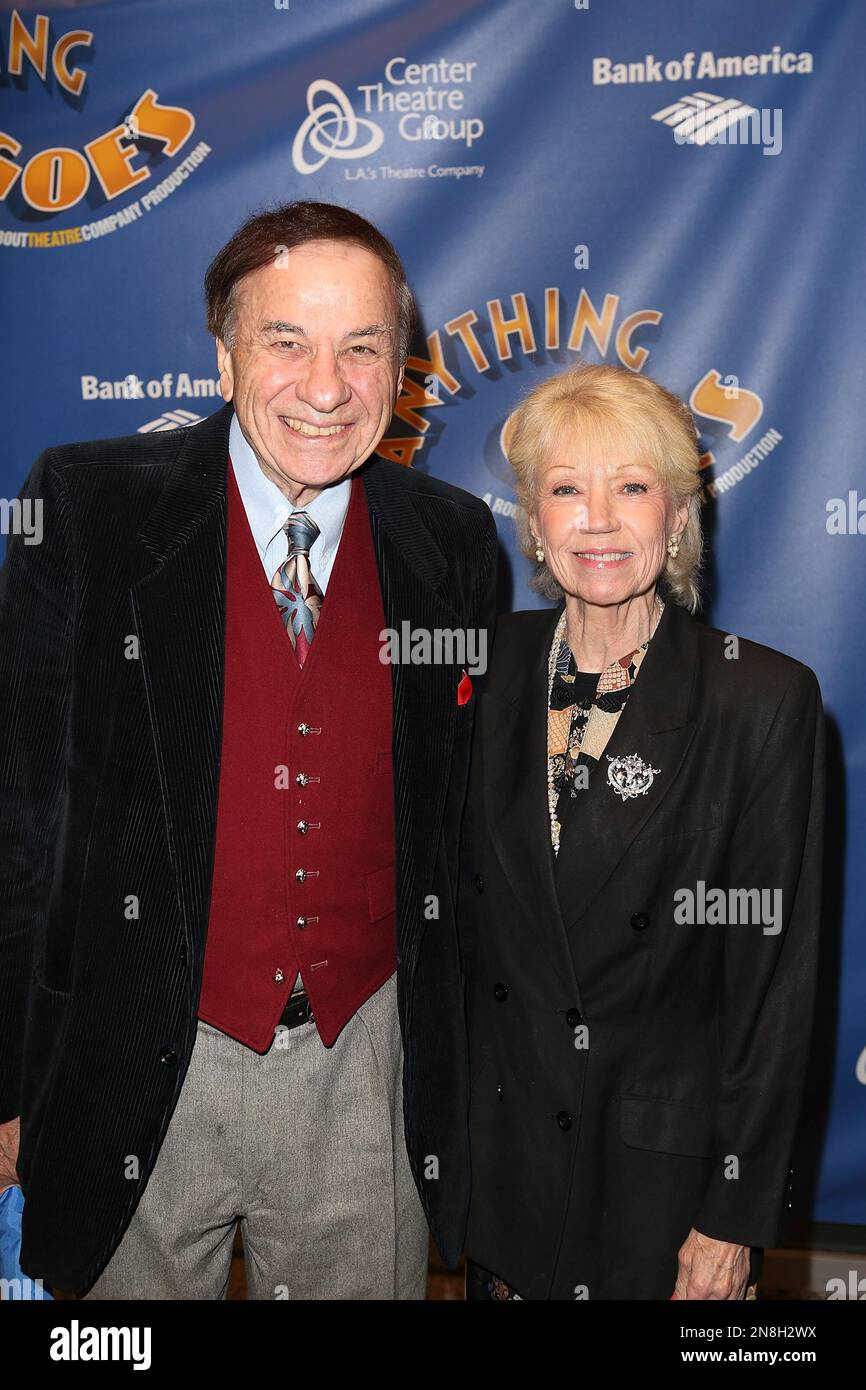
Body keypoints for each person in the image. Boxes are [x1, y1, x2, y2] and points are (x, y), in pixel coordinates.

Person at [0, 200, 497, 1299]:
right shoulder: (87, 507)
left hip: (364, 1072)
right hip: (135, 1060)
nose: (327, 386)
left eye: (363, 347)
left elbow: (457, 840)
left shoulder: (452, 539)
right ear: (226, 358)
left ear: (400, 368)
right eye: (287, 341)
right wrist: (6, 1080)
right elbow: (19, 817)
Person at [459, 362, 825, 1300]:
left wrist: (731, 1219)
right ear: (534, 521)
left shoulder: (760, 698)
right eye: (566, 489)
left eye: (632, 488)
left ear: (676, 517)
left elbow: (772, 987)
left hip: (661, 1190)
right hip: (506, 1176)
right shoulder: (481, 669)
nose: (599, 520)